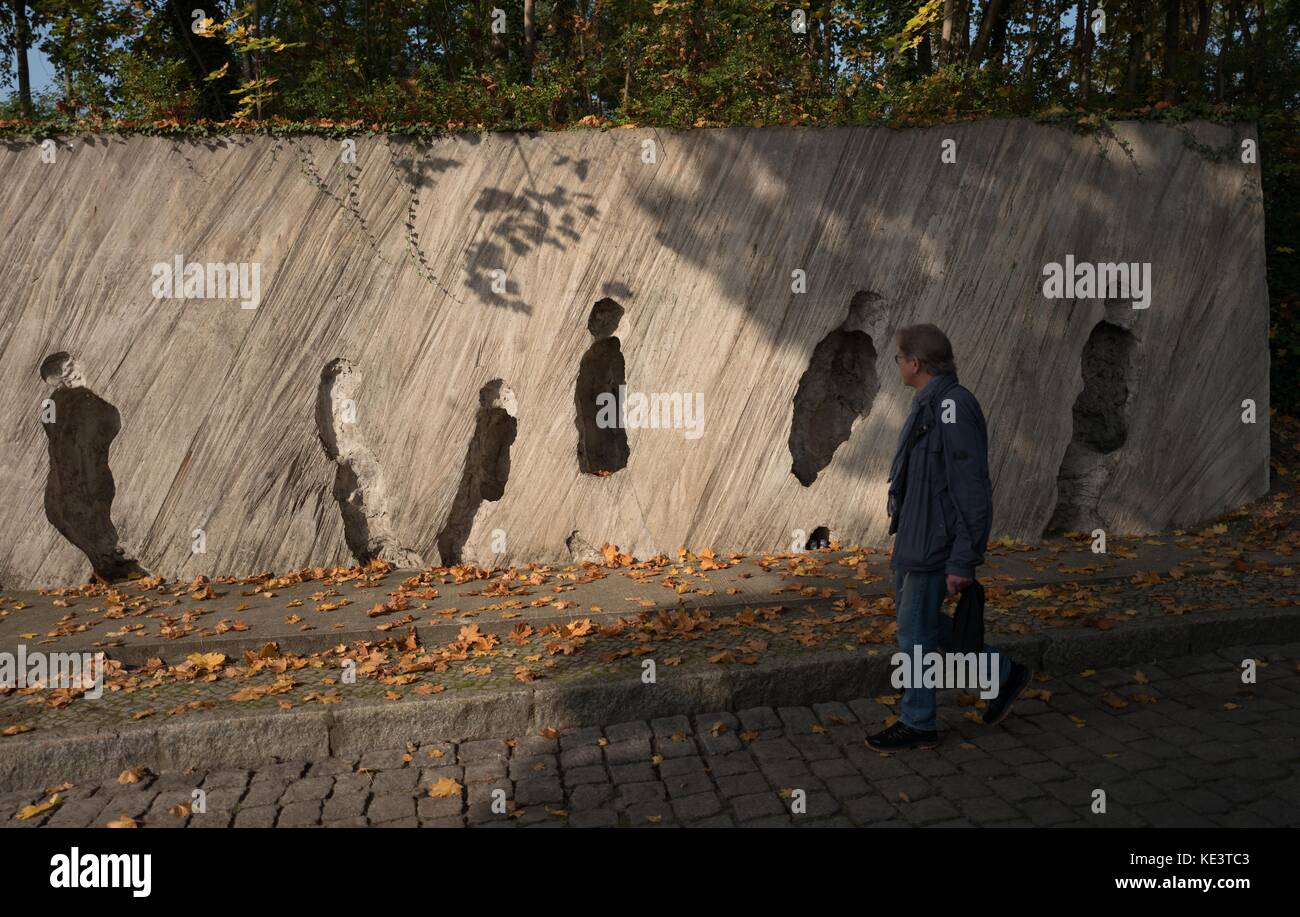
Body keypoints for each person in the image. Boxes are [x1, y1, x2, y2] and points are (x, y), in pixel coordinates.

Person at [866, 324, 1030, 751]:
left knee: (914, 636)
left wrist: (963, 560)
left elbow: (971, 488)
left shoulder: (953, 407)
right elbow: (920, 484)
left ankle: (918, 722)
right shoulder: (929, 404)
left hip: (935, 548)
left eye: (900, 359)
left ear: (914, 363)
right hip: (916, 544)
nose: (899, 365)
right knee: (919, 626)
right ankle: (1001, 672)